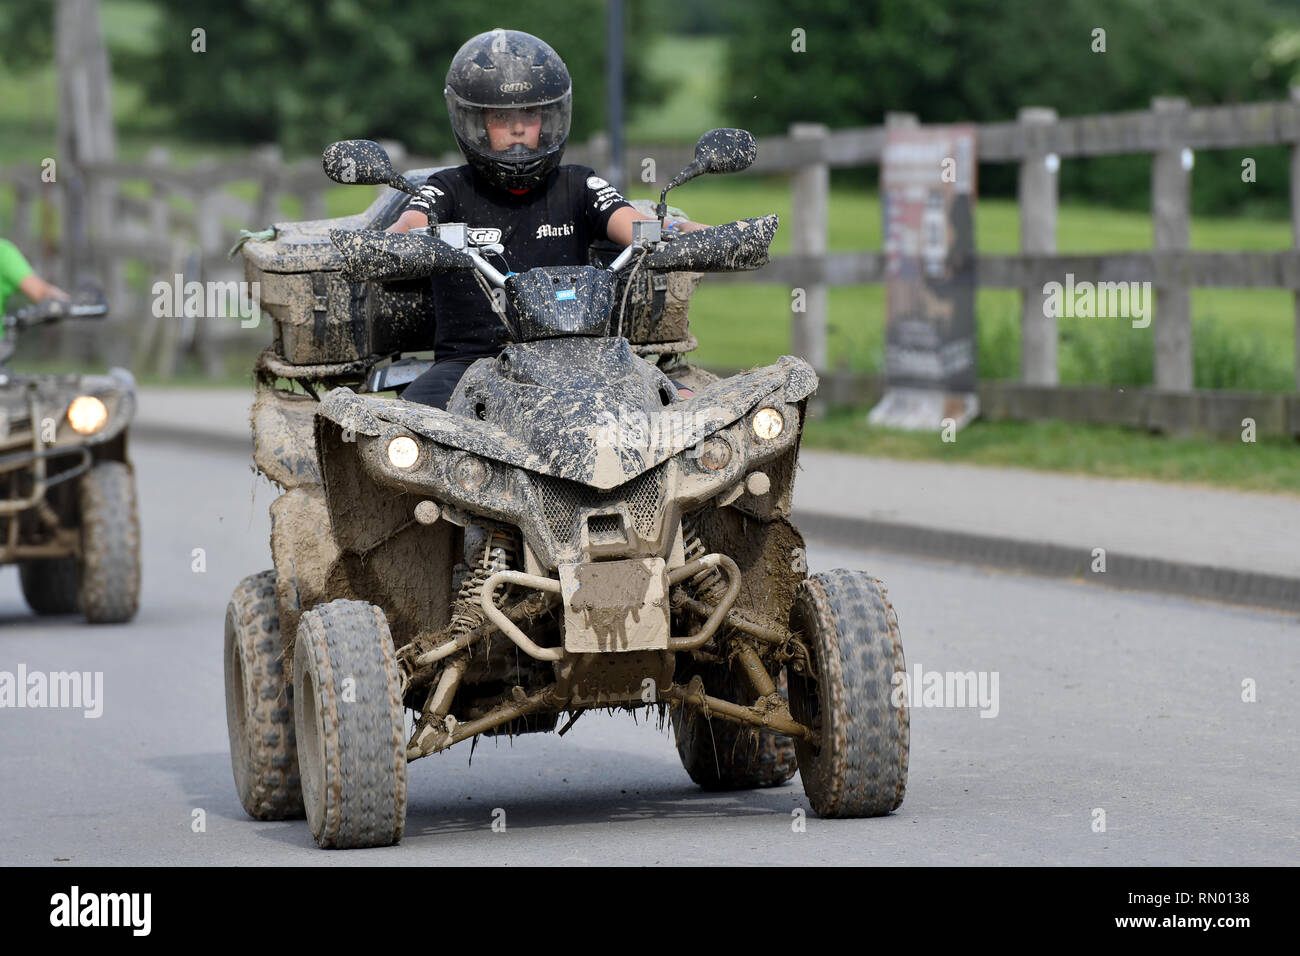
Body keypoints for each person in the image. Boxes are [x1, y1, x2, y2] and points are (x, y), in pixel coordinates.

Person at [387, 28, 705, 409]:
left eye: (531, 114)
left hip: (583, 362)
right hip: (469, 365)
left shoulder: (578, 184)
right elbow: (409, 222)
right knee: (396, 432)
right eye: (502, 117)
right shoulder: (449, 187)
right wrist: (399, 242)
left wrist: (690, 233)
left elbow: (634, 223)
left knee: (686, 409)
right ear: (474, 121)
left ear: (551, 117)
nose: (519, 127)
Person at [0, 237, 68, 315]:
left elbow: (41, 293)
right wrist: (67, 303)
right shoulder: (2, 252)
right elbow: (41, 292)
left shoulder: (3, 253)